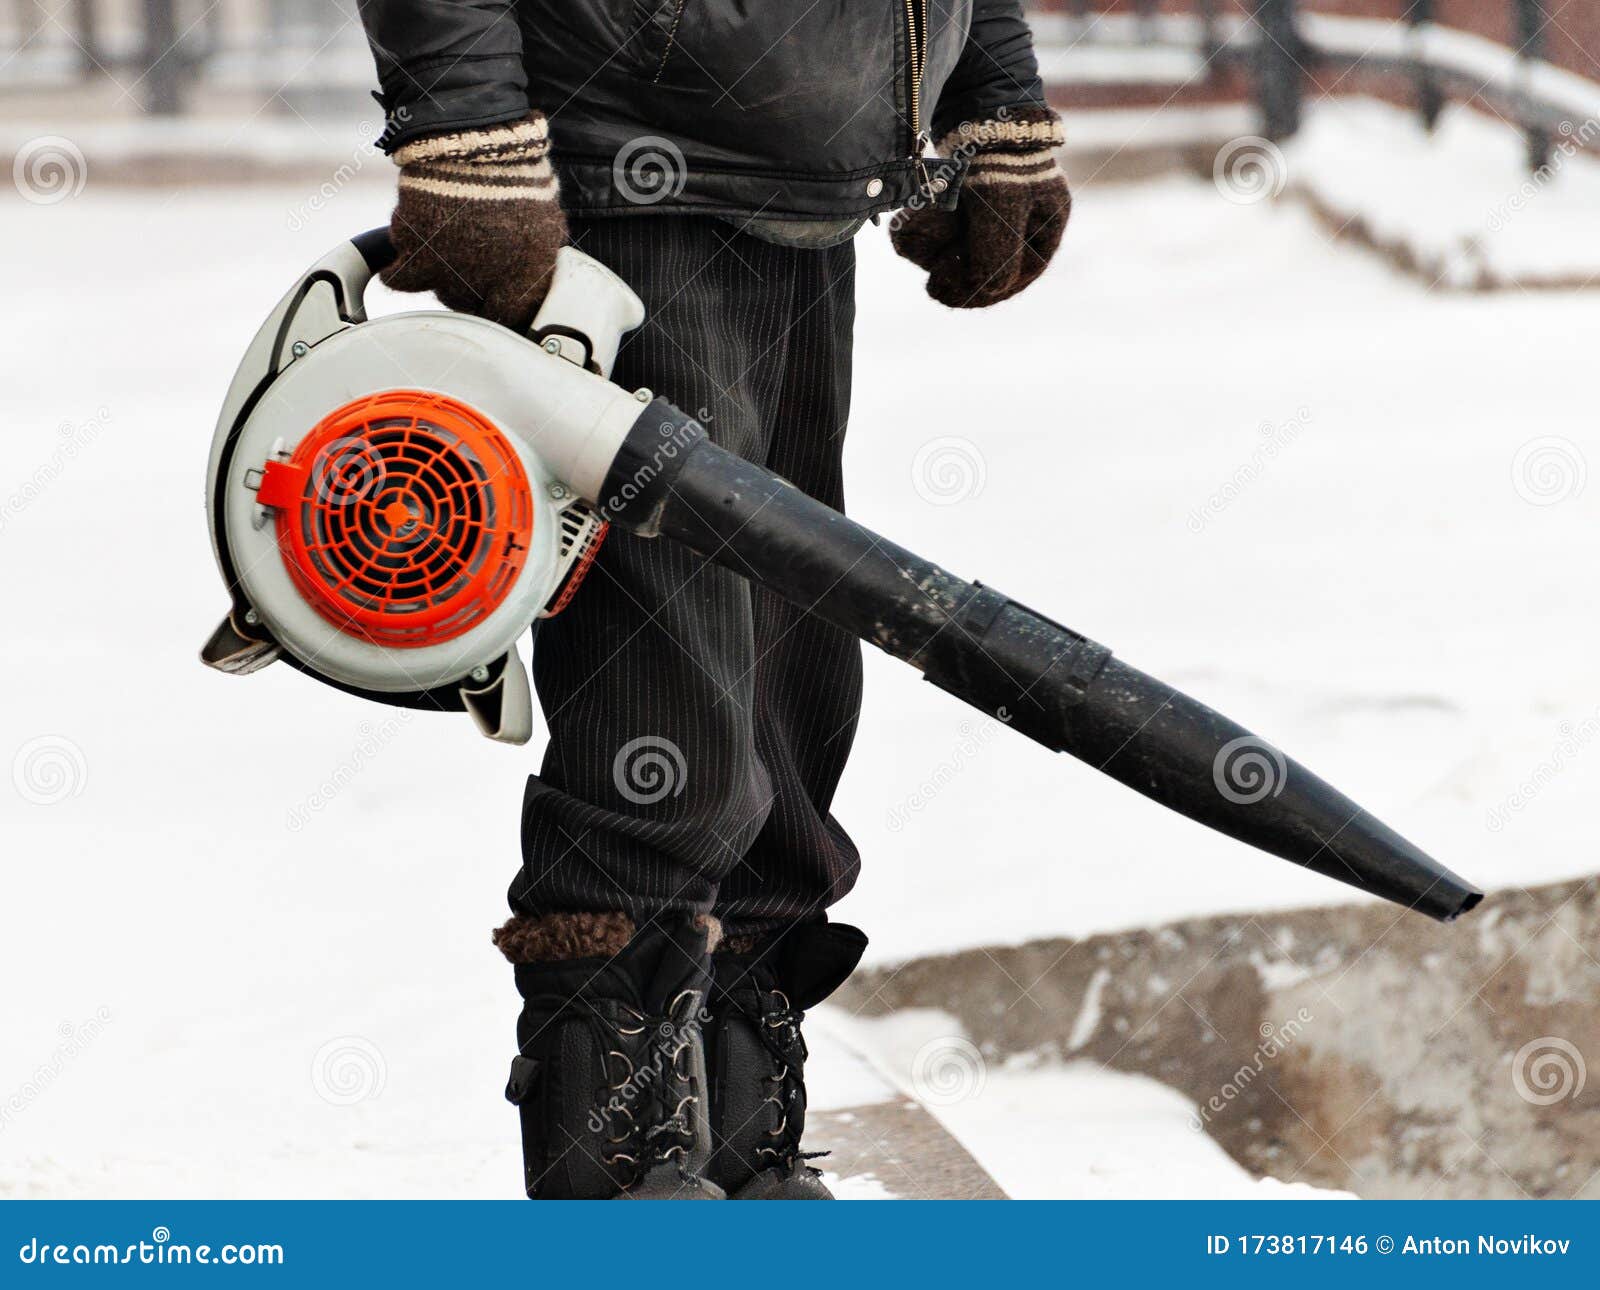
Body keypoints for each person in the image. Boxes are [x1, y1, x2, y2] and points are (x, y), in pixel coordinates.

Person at [357, 0, 1070, 1199]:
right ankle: (620, 1167)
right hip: (633, 178)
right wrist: (465, 129)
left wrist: (989, 89)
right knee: (668, 703)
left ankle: (737, 1122)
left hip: (801, 174)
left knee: (791, 690)